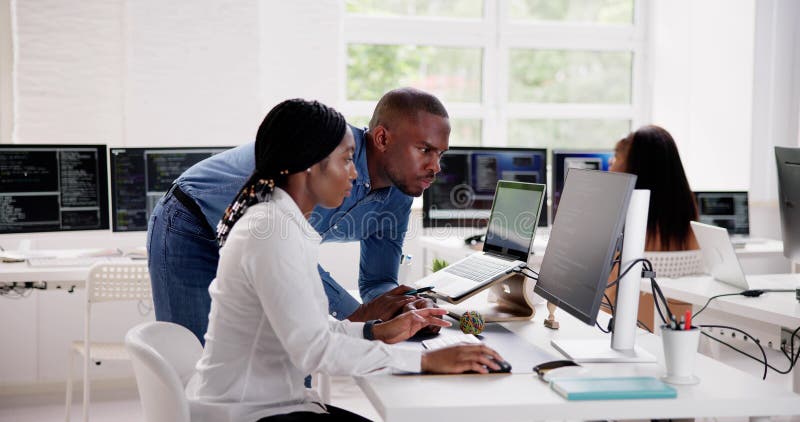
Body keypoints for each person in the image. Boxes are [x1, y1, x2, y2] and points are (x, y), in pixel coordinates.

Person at [188, 99, 505, 422]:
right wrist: (424, 362)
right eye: (346, 160)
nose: (355, 174)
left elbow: (313, 330)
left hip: (271, 404)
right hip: (250, 413)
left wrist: (375, 331)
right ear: (309, 165)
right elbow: (314, 350)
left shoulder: (282, 225)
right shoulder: (271, 234)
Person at [147, 88, 450, 342]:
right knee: (191, 356)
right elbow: (291, 260)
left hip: (258, 238)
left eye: (441, 154)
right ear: (383, 139)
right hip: (191, 223)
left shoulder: (399, 193)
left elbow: (378, 279)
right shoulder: (323, 161)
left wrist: (402, 306)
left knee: (291, 355)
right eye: (425, 150)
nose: (436, 167)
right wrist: (359, 318)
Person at [607, 125, 699, 327]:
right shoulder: (690, 222)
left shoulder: (625, 224)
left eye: (617, 156)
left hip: (626, 327)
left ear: (635, 165)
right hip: (677, 329)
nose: (611, 162)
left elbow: (606, 298)